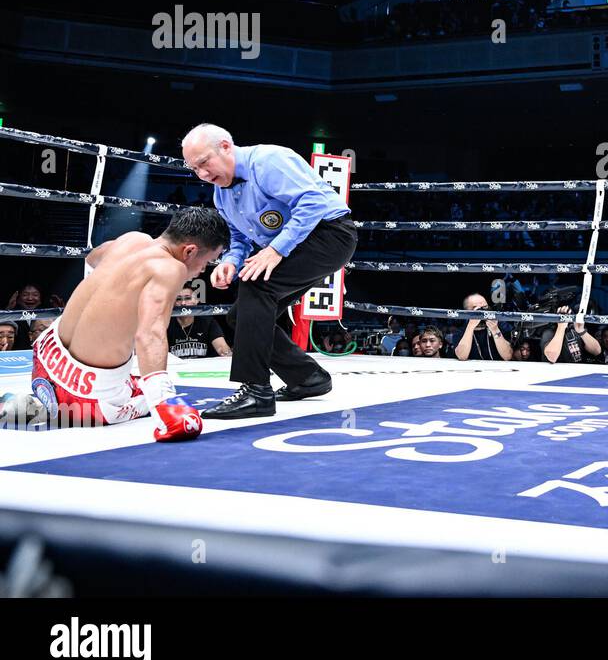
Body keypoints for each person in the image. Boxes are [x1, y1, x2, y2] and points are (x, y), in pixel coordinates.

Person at [0, 209, 228, 439]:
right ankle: (37, 407)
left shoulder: (133, 239)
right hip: (86, 401)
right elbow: (150, 333)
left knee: (134, 383)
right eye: (207, 262)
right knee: (164, 399)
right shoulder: (172, 267)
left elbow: (92, 259)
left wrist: (101, 309)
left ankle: (28, 404)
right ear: (189, 251)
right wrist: (165, 405)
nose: (201, 271)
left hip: (44, 360)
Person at [183, 124, 357, 419]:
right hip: (298, 244)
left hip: (329, 235)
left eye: (204, 163)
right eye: (194, 169)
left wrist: (276, 250)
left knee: (257, 286)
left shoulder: (269, 160)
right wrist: (230, 261)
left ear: (225, 146)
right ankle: (307, 377)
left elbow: (312, 202)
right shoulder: (221, 195)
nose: (202, 174)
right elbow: (239, 238)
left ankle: (256, 392)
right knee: (240, 316)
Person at [166, 285, 232, 359]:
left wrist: (228, 356)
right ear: (173, 302)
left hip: (202, 368)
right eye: (178, 299)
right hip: (175, 368)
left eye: (188, 298)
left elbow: (221, 346)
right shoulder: (166, 323)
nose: (183, 303)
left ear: (196, 300)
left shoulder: (207, 321)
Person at [454, 293, 514, 361]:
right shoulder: (461, 329)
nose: (483, 312)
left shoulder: (499, 324)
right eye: (478, 309)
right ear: (467, 312)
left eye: (485, 307)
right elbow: (462, 356)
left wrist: (495, 330)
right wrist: (470, 326)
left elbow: (507, 356)